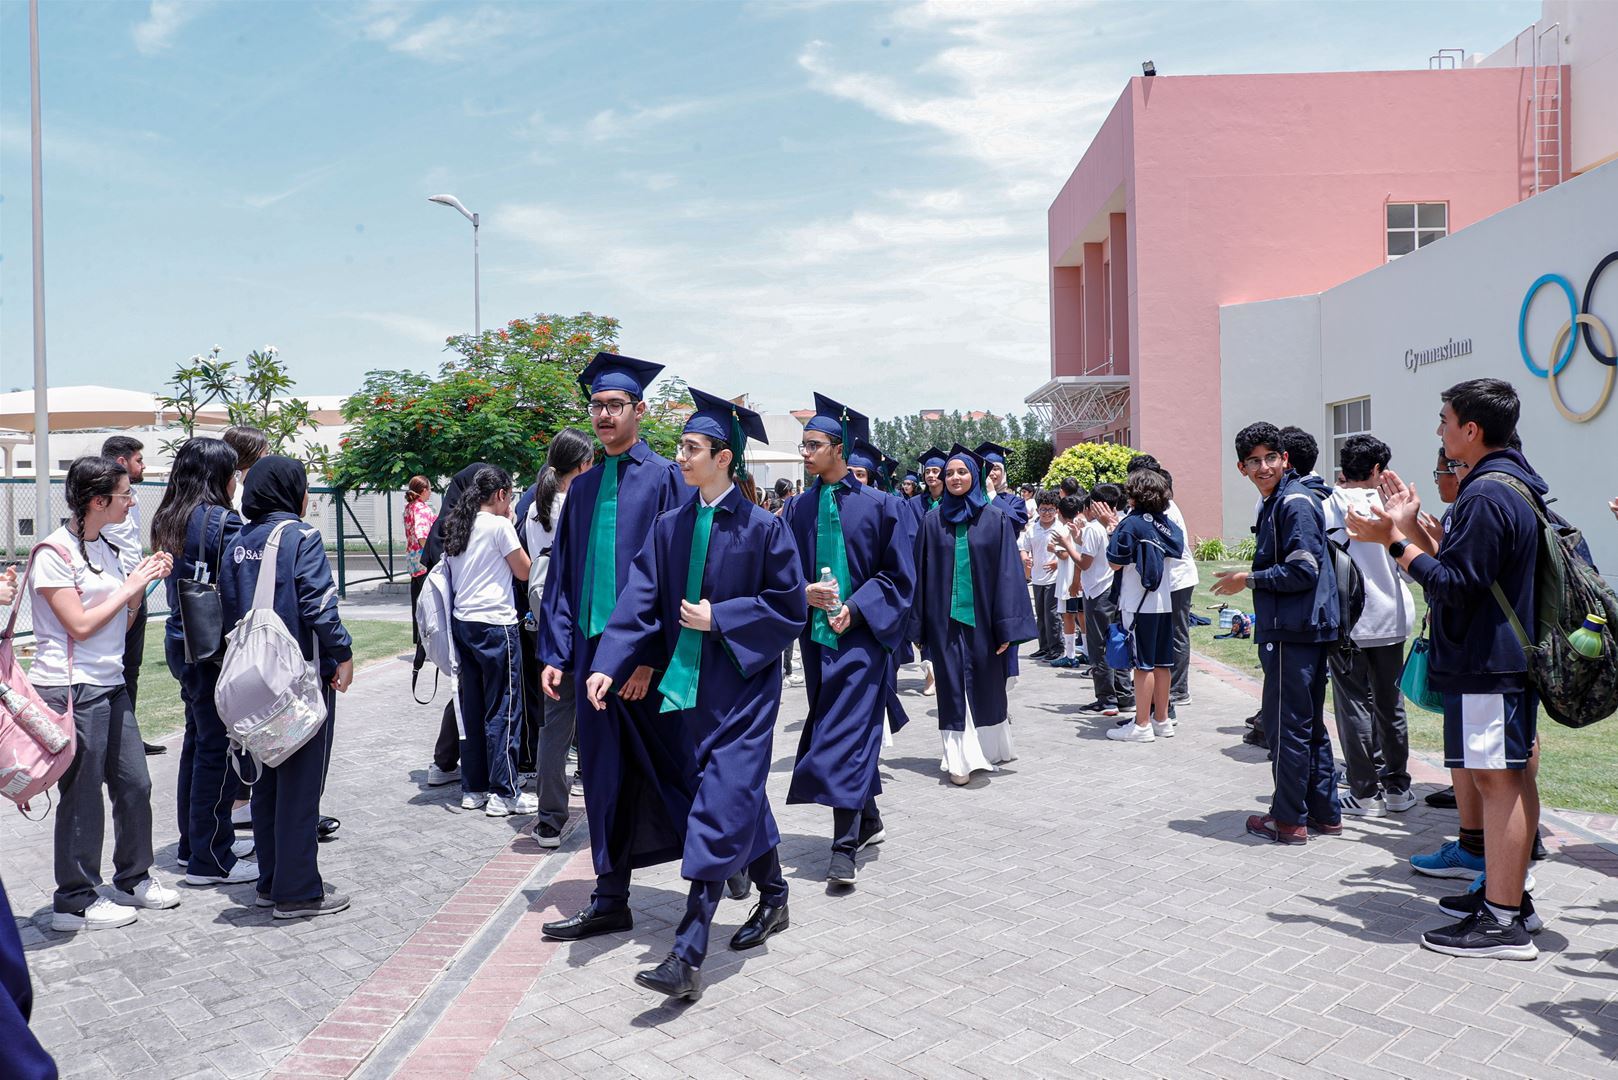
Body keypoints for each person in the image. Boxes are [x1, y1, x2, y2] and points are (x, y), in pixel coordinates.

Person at [587, 390, 803, 1001]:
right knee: (734, 796)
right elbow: (637, 600)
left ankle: (686, 954)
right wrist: (609, 661)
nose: (680, 457)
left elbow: (787, 608)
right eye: (682, 446)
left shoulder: (764, 530)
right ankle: (777, 895)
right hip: (687, 691)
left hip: (744, 692)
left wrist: (722, 617)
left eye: (691, 448)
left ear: (724, 458)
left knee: (715, 806)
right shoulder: (669, 527)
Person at [1347, 379, 1543, 959]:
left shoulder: (1486, 494)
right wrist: (1416, 532)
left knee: (1499, 783)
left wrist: (1393, 543)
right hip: (1498, 659)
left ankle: (1503, 920)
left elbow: (1458, 587)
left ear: (1471, 430)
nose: (1440, 429)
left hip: (1489, 661)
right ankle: (1509, 901)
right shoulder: (1510, 483)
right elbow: (1473, 570)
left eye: (1445, 420)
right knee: (1508, 778)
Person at [539, 353, 699, 942]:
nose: (605, 416)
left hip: (643, 661)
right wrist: (557, 653)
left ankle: (738, 857)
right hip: (590, 660)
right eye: (598, 407)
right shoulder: (581, 491)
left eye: (615, 406)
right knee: (605, 777)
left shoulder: (664, 479)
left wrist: (651, 655)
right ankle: (610, 898)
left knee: (677, 769)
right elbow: (562, 581)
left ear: (640, 410)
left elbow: (677, 574)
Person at [32, 456, 178, 931]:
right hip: (72, 687)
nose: (131, 501)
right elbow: (78, 625)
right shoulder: (54, 552)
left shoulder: (107, 547)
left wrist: (142, 586)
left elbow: (122, 620)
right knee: (83, 796)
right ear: (97, 501)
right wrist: (130, 587)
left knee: (136, 783)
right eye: (124, 495)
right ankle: (73, 900)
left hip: (110, 683)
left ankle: (133, 877)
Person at [783, 394, 916, 886]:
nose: (806, 453)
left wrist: (856, 609)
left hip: (863, 642)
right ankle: (870, 816)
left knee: (847, 735)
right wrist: (803, 593)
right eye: (803, 445)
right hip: (815, 642)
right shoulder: (797, 509)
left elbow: (899, 577)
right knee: (838, 731)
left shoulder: (883, 508)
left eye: (814, 444)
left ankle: (843, 845)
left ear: (839, 449)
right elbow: (781, 573)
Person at [219, 456, 355, 919]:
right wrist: (344, 654)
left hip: (251, 682)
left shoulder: (238, 541)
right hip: (297, 682)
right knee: (300, 785)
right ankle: (297, 893)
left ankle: (270, 881)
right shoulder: (301, 537)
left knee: (268, 783)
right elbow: (319, 606)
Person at [1213, 422, 1341, 844]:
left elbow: (1304, 569)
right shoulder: (1279, 501)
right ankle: (1323, 813)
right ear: (1242, 467)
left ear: (1285, 459)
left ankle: (1288, 820)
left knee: (1287, 727)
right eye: (1254, 461)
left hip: (1295, 630)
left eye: (1271, 458)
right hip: (1299, 629)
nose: (1263, 466)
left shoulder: (1294, 502)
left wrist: (1247, 580)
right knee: (1307, 724)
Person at [151, 437, 257, 886]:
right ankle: (211, 859)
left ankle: (193, 844)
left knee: (197, 742)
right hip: (212, 646)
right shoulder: (220, 520)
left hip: (181, 638)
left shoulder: (169, 516)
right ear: (218, 475)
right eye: (233, 472)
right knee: (215, 747)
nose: (237, 481)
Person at [911, 445, 1036, 784]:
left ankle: (990, 749)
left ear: (975, 476)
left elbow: (1008, 575)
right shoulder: (932, 520)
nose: (954, 477)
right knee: (950, 687)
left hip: (984, 618)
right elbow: (920, 576)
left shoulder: (994, 518)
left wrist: (1006, 627)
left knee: (986, 684)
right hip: (944, 620)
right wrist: (919, 629)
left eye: (961, 472)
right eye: (949, 473)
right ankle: (958, 759)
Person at [1328, 435, 1416, 818]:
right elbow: (1410, 572)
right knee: (1389, 705)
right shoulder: (1392, 507)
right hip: (1391, 619)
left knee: (1352, 706)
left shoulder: (1328, 504)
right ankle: (1397, 787)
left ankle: (1365, 793)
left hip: (1349, 621)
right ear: (1379, 470)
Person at [514, 428, 594, 848]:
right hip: (579, 618)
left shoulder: (532, 505)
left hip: (546, 623)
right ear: (581, 466)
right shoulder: (578, 505)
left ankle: (548, 819)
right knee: (596, 719)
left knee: (554, 725)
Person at [442, 466, 535, 817]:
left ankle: (474, 787)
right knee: (505, 709)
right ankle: (504, 791)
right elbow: (524, 571)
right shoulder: (499, 526)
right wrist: (510, 521)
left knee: (473, 708)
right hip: (497, 624)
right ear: (500, 495)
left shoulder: (457, 525)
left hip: (464, 622)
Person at [419, 462, 492, 787]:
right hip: (471, 624)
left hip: (455, 624)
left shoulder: (446, 522)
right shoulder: (471, 525)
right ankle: (447, 761)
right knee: (468, 691)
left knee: (465, 689)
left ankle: (447, 761)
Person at [1103, 470, 1185, 743]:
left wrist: (1110, 531)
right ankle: (1161, 720)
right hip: (1163, 602)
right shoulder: (1167, 524)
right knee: (1162, 664)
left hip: (1137, 603)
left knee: (1142, 665)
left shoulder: (1130, 523)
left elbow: (1115, 562)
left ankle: (1141, 725)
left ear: (1135, 495)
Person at [99, 436, 165, 757]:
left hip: (136, 588)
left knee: (131, 666)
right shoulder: (100, 497)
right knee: (111, 667)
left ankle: (129, 738)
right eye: (139, 459)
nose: (144, 465)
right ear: (122, 461)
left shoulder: (132, 496)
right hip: (113, 591)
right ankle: (107, 744)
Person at [1076, 484, 1131, 717]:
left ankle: (1106, 698)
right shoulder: (1121, 524)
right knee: (1118, 641)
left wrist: (1069, 543)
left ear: (1096, 505)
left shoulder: (1093, 528)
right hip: (1116, 591)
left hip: (1098, 593)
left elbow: (1085, 563)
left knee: (1099, 646)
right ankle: (1125, 695)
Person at [1018, 492, 1063, 661]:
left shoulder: (1060, 529)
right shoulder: (1032, 529)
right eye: (1043, 509)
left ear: (1056, 510)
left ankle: (1056, 648)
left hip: (1055, 578)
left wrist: (1057, 563)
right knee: (1041, 614)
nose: (1046, 513)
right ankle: (1044, 646)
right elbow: (1024, 548)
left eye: (1050, 510)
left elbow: (1069, 552)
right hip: (1037, 578)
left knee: (1052, 615)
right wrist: (1025, 559)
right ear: (1037, 510)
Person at [1050, 492, 1088, 668]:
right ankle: (1087, 651)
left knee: (1068, 617)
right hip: (1083, 580)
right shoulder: (1085, 526)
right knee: (1082, 615)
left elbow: (1064, 554)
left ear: (1059, 512)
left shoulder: (1063, 529)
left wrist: (1054, 549)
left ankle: (1070, 654)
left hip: (1068, 580)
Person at [404, 475, 437, 668]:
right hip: (425, 563)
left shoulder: (409, 508)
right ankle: (424, 647)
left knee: (416, 607)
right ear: (424, 490)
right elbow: (423, 535)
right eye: (430, 488)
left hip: (413, 564)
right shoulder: (422, 509)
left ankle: (419, 644)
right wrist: (432, 555)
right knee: (428, 607)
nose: (431, 492)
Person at [974, 442, 1030, 531]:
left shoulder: (1015, 502)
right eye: (986, 469)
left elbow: (1018, 524)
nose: (991, 473)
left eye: (996, 469)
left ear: (1004, 473)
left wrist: (992, 495)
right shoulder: (973, 498)